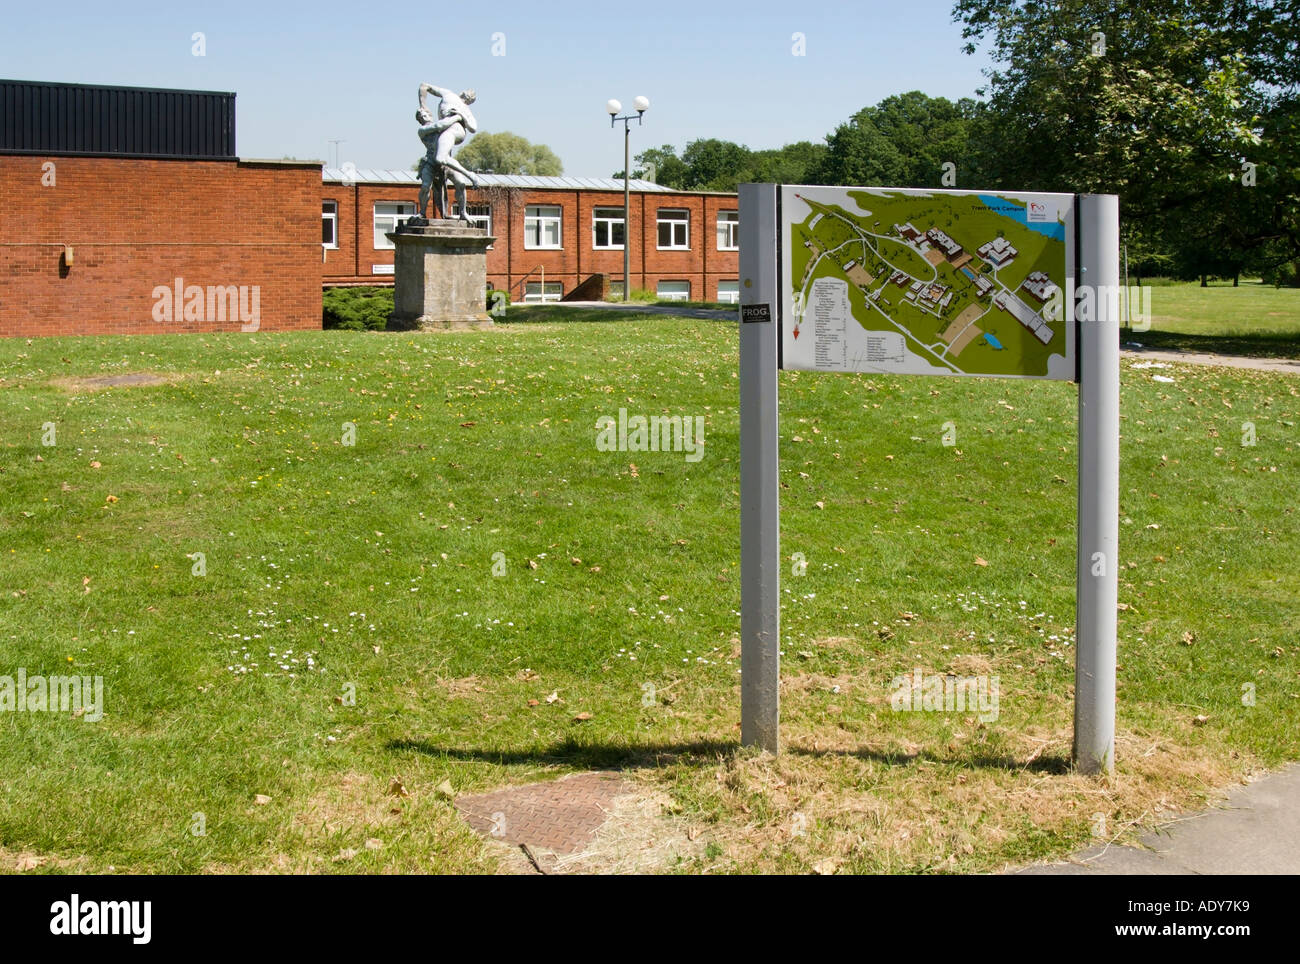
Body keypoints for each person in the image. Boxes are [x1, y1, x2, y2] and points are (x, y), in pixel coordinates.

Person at [416, 83, 480, 221]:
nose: (424, 115)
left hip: (447, 163)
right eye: (421, 115)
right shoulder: (424, 130)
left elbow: (473, 127)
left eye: (425, 113)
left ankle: (463, 213)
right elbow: (441, 124)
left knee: (460, 183)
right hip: (431, 162)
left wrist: (462, 114)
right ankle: (422, 212)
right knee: (426, 186)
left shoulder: (451, 116)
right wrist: (458, 117)